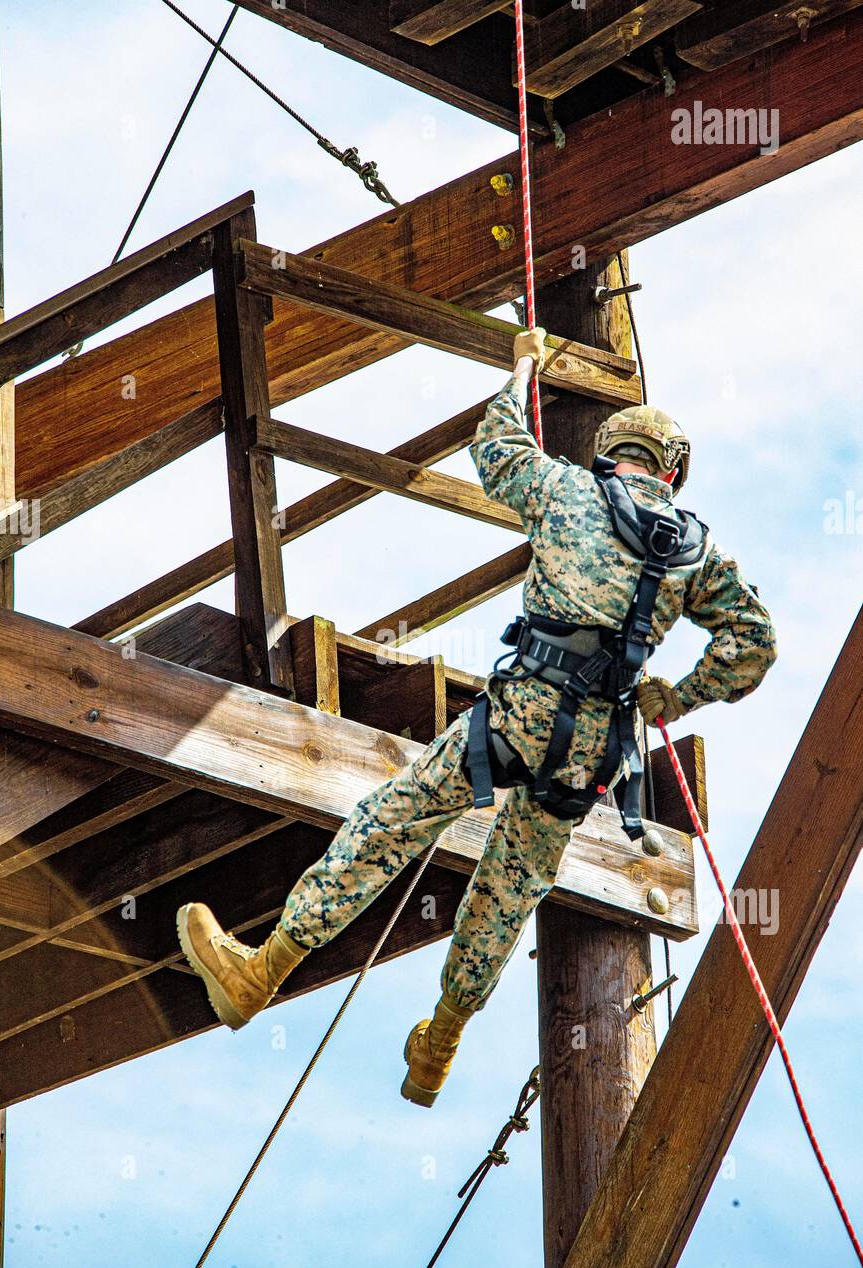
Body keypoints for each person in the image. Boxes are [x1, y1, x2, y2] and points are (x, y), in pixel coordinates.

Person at [176, 327, 777, 1107]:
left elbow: (493, 444)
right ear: (672, 471)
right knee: (511, 884)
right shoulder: (696, 553)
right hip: (591, 753)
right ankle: (438, 1048)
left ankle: (261, 973)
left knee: (396, 816)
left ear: (610, 451)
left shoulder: (568, 490)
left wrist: (523, 364)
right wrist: (675, 696)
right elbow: (754, 643)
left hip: (522, 711)